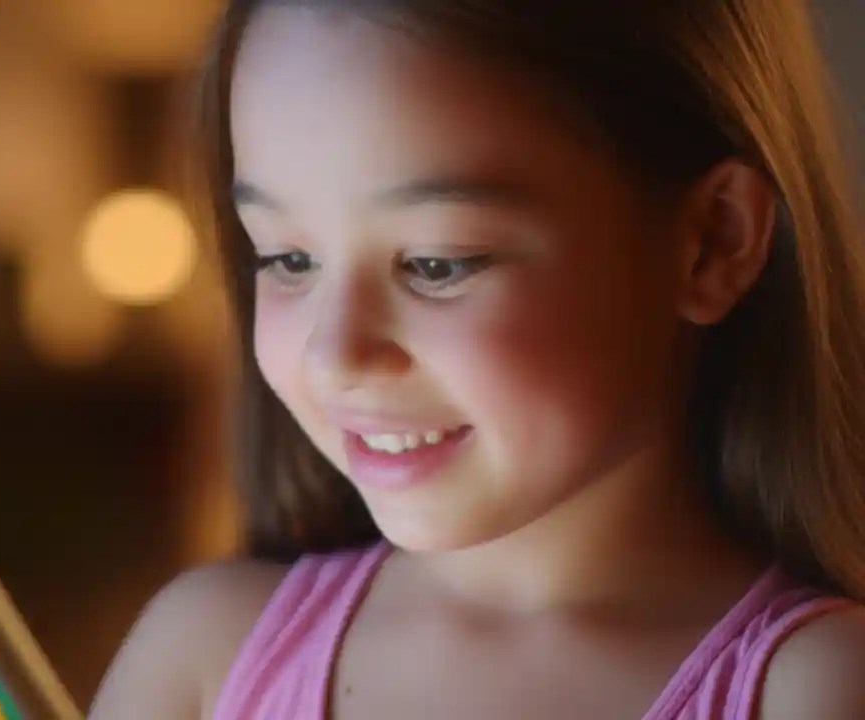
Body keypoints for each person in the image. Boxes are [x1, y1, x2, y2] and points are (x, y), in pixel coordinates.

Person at [91, 1, 865, 717]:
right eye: (289, 259)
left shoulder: (812, 688)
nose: (337, 357)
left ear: (711, 243)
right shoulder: (203, 654)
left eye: (436, 264)